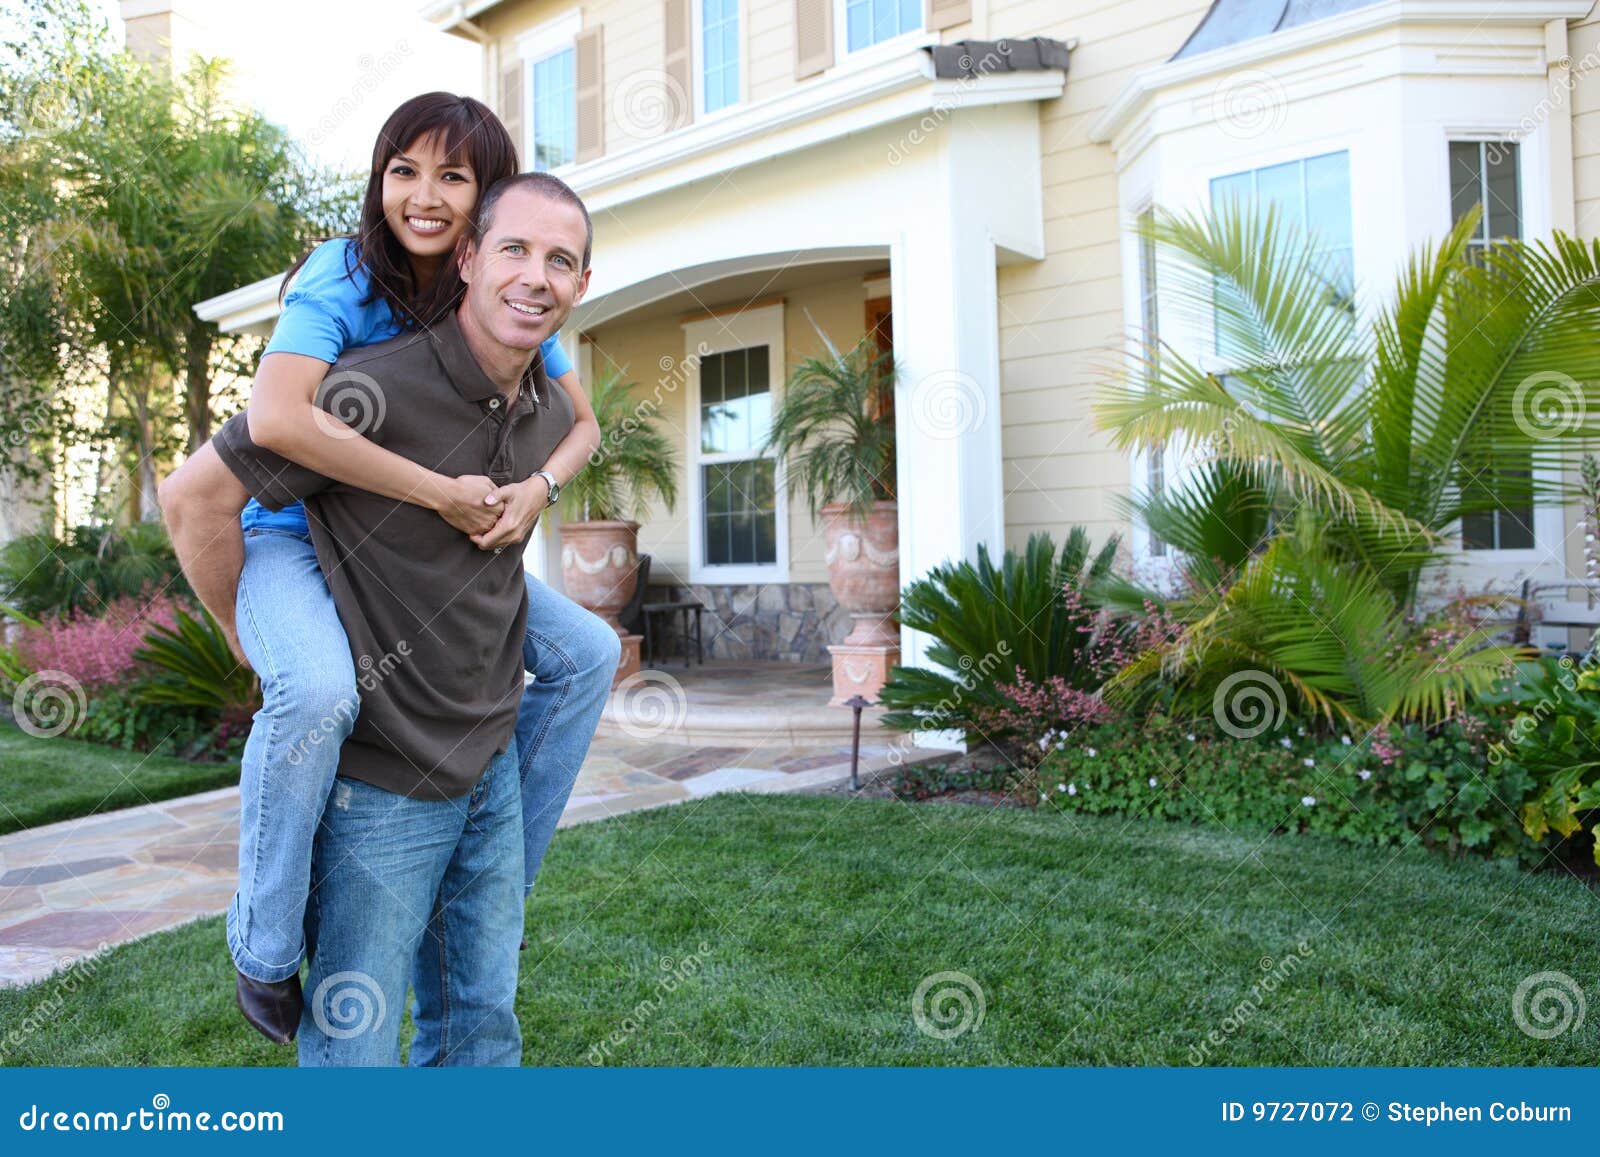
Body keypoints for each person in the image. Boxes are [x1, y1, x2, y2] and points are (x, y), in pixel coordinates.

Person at [158, 94, 619, 1046]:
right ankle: (265, 938)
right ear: (474, 253)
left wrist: (535, 485)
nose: (426, 193)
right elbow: (263, 439)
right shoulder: (348, 292)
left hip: (446, 637)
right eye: (404, 170)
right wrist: (253, 640)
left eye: (455, 177)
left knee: (586, 653)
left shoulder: (514, 326)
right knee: (318, 689)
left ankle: (496, 875)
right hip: (289, 526)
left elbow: (585, 422)